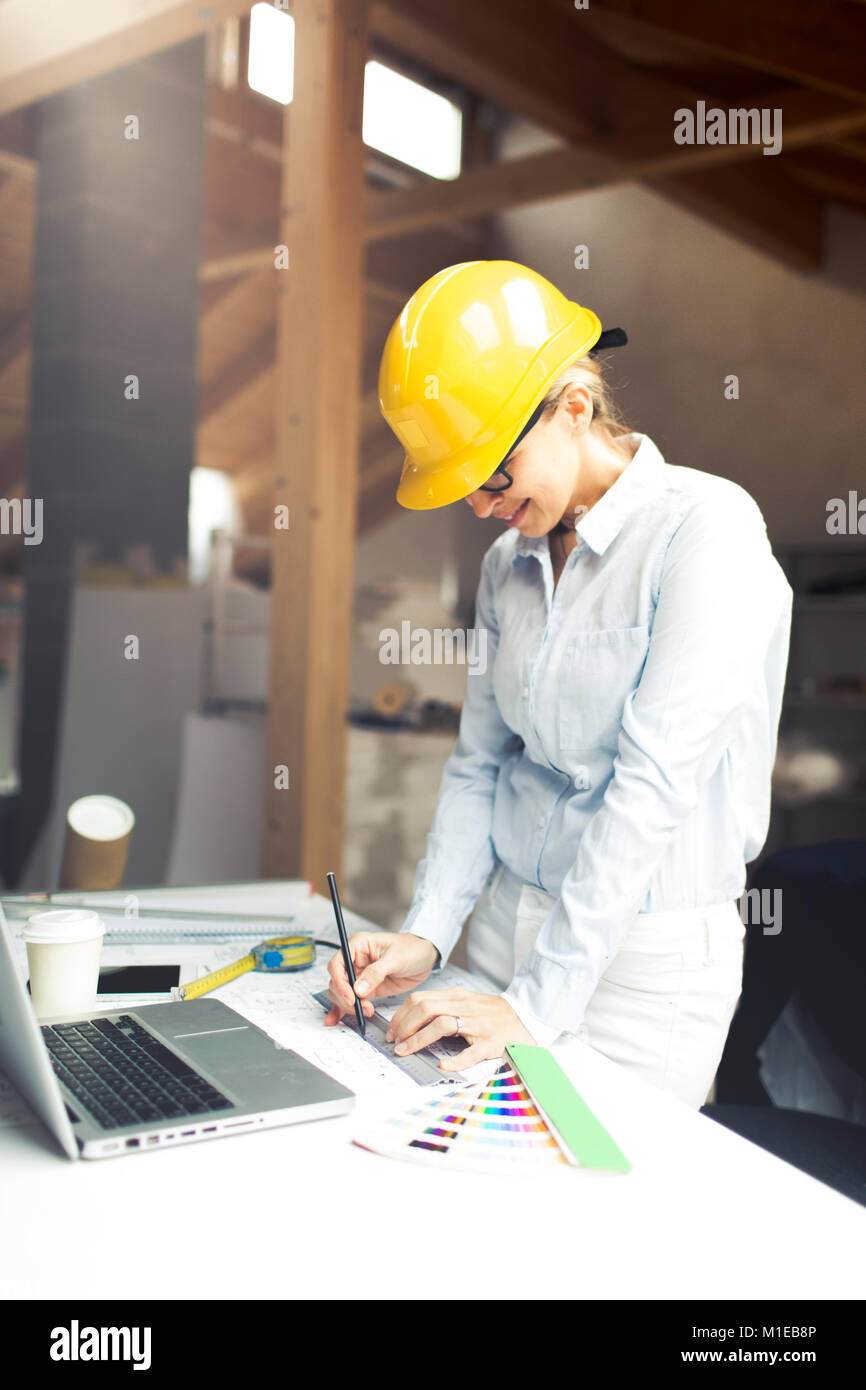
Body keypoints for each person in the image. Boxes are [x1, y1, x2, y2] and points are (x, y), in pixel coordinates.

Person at [325, 259, 793, 1108]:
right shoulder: (509, 562)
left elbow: (651, 790)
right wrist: (432, 927)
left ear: (574, 407)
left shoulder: (707, 532)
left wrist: (538, 1006)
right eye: (463, 485)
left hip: (641, 971)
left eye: (492, 475)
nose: (478, 505)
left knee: (597, 1213)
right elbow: (478, 764)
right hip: (506, 932)